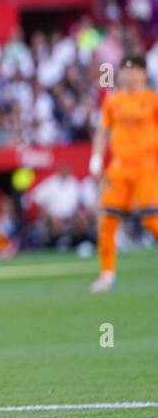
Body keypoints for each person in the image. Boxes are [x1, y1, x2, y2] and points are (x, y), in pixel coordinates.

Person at [89, 55, 158, 292]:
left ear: (143, 74)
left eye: (133, 71)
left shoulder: (152, 100)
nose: (128, 75)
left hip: (147, 166)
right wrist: (97, 157)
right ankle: (107, 274)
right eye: (125, 71)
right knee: (107, 220)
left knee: (152, 219)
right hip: (119, 167)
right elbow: (103, 130)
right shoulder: (112, 101)